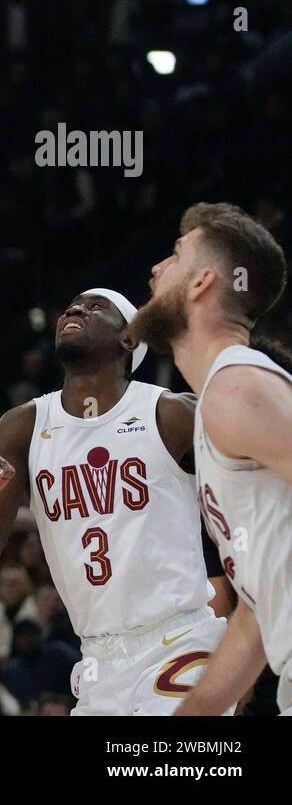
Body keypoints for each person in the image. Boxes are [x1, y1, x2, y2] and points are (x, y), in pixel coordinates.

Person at [0, 288, 227, 714]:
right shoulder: (22, 426)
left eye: (96, 307)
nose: (75, 310)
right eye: (70, 306)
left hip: (177, 642)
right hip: (97, 659)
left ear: (129, 339)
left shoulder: (169, 413)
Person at [129, 202, 292, 715]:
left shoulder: (236, 388)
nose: (156, 269)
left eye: (175, 256)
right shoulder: (220, 400)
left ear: (201, 282)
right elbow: (259, 605)